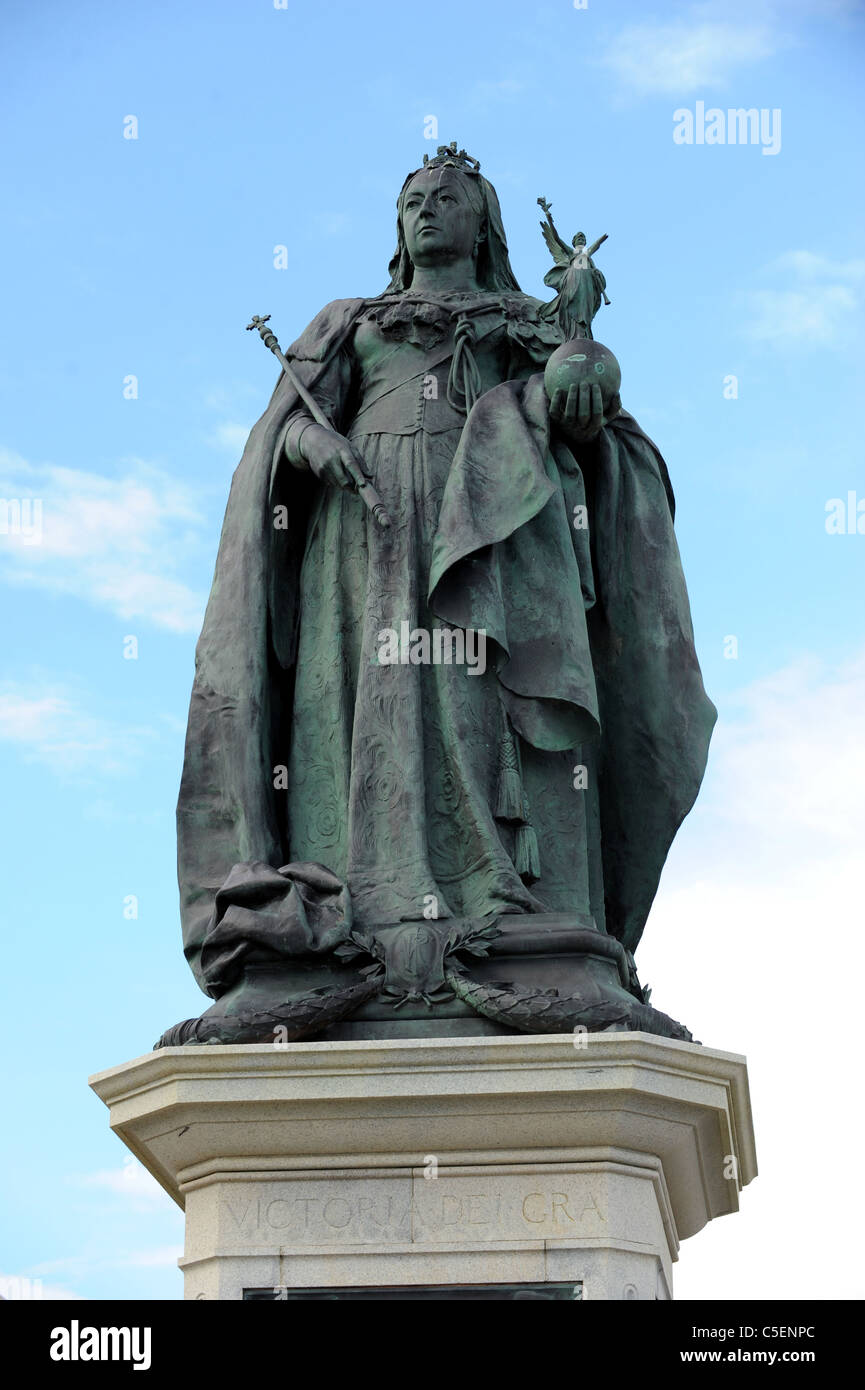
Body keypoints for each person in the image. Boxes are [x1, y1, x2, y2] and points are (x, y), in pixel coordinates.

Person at [175, 146, 715, 1008]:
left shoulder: (525, 319)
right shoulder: (350, 319)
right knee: (364, 710)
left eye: (448, 198)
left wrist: (579, 387)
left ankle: (513, 901)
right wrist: (314, 444)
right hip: (363, 528)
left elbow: (592, 414)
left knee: (476, 698)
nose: (428, 210)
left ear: (483, 223)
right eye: (414, 199)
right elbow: (282, 433)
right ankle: (359, 899)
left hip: (495, 529)